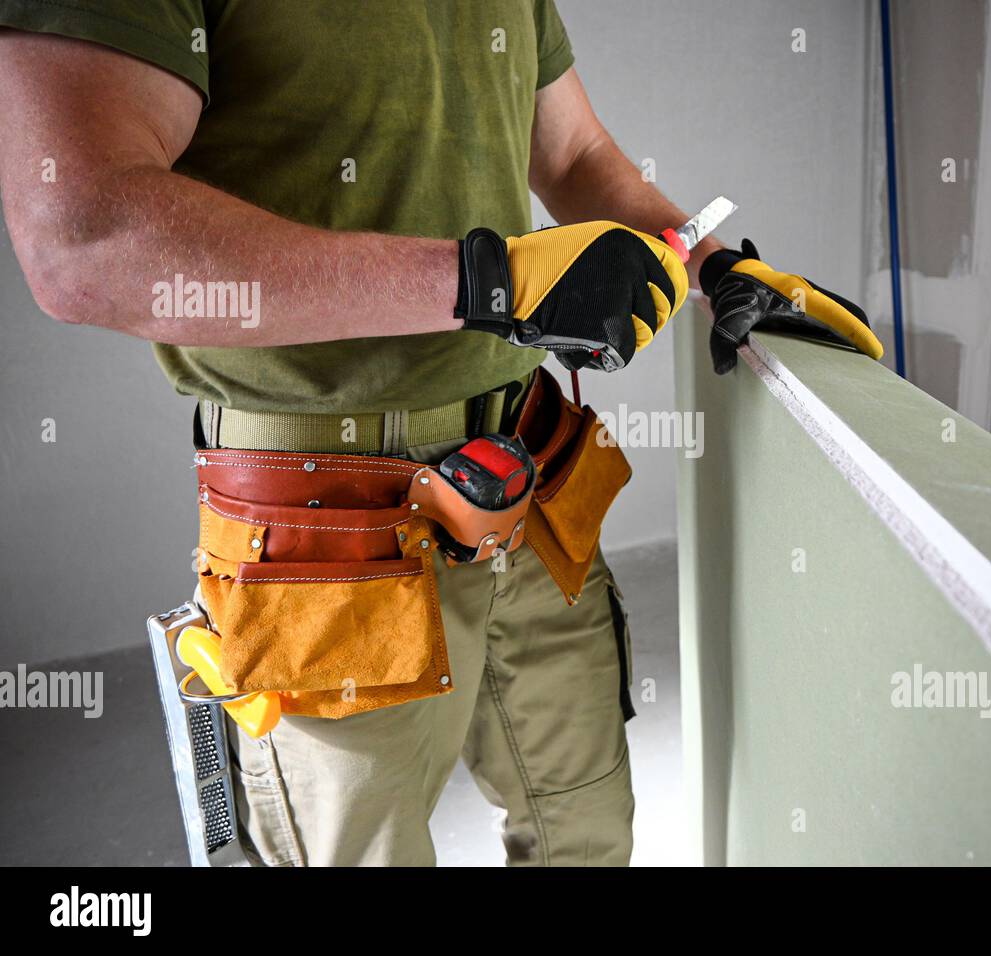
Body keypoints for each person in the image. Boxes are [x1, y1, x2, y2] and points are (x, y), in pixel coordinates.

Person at [0, 1, 881, 866]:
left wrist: (713, 265)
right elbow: (81, 238)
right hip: (325, 528)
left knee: (587, 832)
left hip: (526, 476)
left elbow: (573, 153)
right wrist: (482, 284)